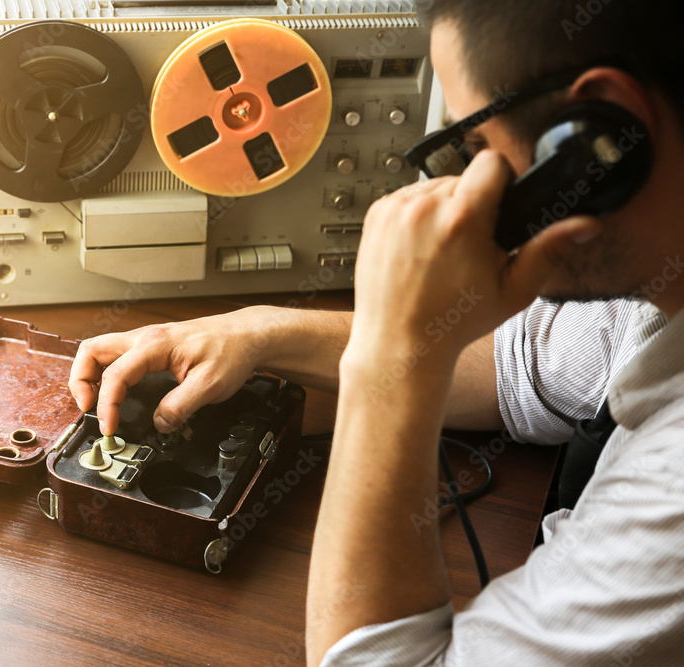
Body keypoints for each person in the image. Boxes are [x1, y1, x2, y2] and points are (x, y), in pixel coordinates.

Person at [68, 0, 684, 663]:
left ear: (598, 138)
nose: (461, 184)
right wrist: (256, 332)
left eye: (474, 146)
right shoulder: (655, 290)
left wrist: (390, 357)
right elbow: (522, 366)